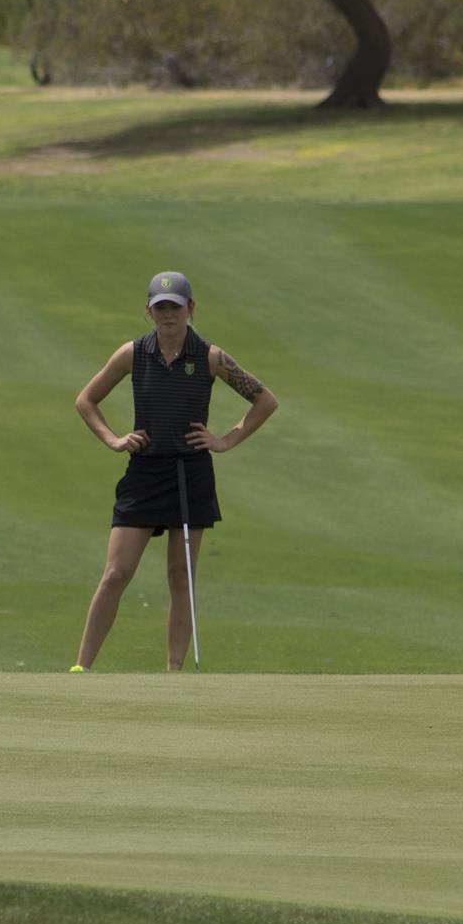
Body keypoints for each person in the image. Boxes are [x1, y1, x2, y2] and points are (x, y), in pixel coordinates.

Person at [70, 271, 279, 671]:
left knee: (181, 576)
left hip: (189, 473)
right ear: (149, 311)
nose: (169, 315)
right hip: (144, 473)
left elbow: (265, 401)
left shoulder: (211, 357)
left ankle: (174, 671)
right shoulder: (133, 353)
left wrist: (225, 440)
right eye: (160, 308)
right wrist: (114, 439)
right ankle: (81, 666)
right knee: (116, 573)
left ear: (191, 309)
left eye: (176, 307)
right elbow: (86, 400)